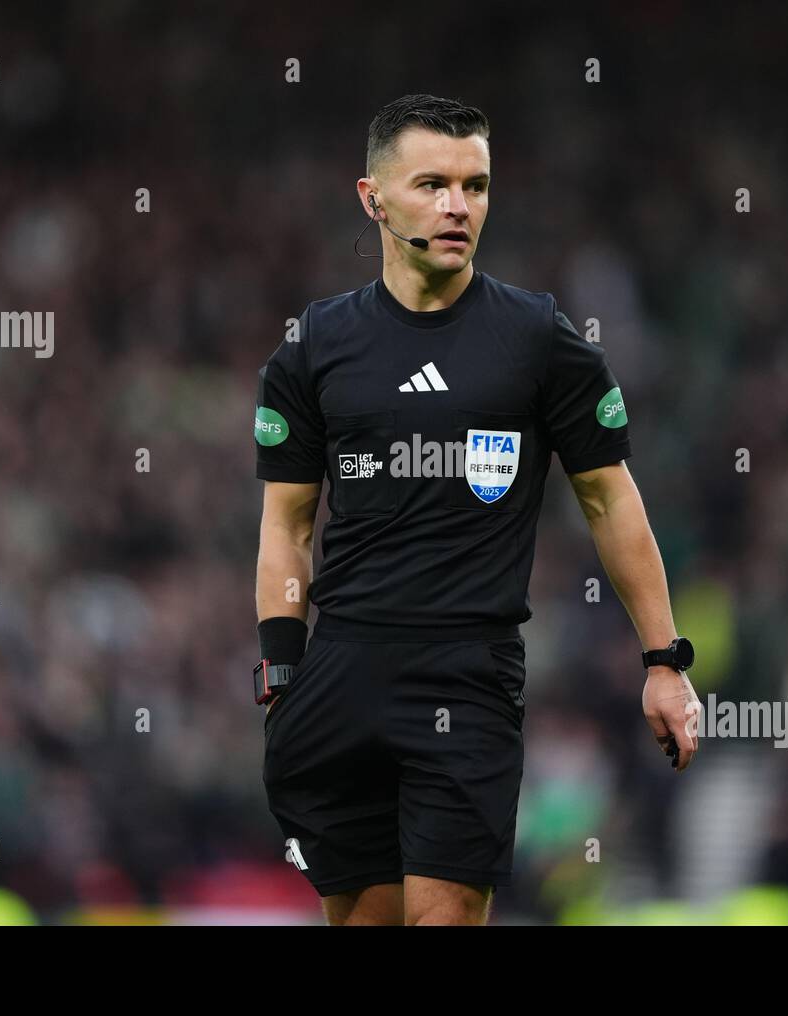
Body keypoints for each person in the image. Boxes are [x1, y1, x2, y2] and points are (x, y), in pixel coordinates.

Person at [253, 93, 698, 926]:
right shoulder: (313, 348)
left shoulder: (537, 339)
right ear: (372, 198)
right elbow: (288, 523)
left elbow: (610, 498)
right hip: (340, 675)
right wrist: (280, 671)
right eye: (432, 184)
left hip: (468, 673)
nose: (459, 207)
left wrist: (664, 661)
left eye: (477, 185)